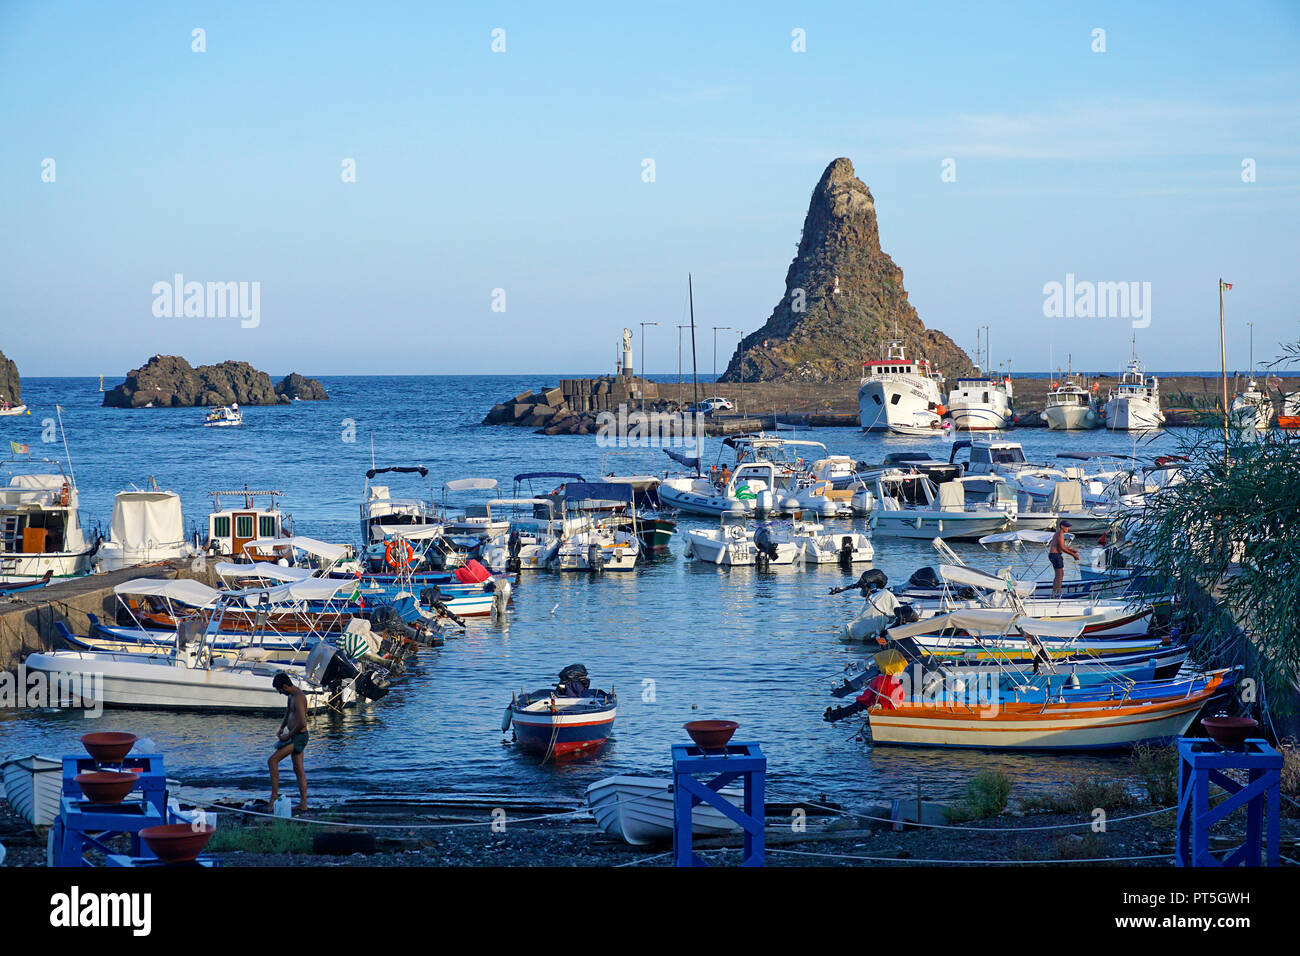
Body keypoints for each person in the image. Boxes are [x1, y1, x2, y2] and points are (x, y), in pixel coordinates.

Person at [269, 672, 309, 811]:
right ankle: (303, 804)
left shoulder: (299, 697)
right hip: (293, 735)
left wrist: (288, 736)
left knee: (272, 761)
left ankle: (274, 797)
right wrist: (281, 728)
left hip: (298, 737)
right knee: (298, 769)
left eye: (280, 690)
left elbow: (302, 724)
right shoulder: (291, 696)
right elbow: (288, 713)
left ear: (285, 686)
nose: (280, 693)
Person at [1049, 520, 1079, 598]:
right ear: (1062, 526)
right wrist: (1073, 555)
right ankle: (1057, 593)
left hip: (1054, 555)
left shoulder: (1059, 533)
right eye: (1066, 526)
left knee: (1059, 574)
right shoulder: (1060, 534)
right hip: (1055, 555)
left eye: (1068, 527)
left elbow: (1061, 546)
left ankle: (1055, 592)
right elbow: (1062, 548)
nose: (1068, 528)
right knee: (1059, 575)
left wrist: (1071, 550)